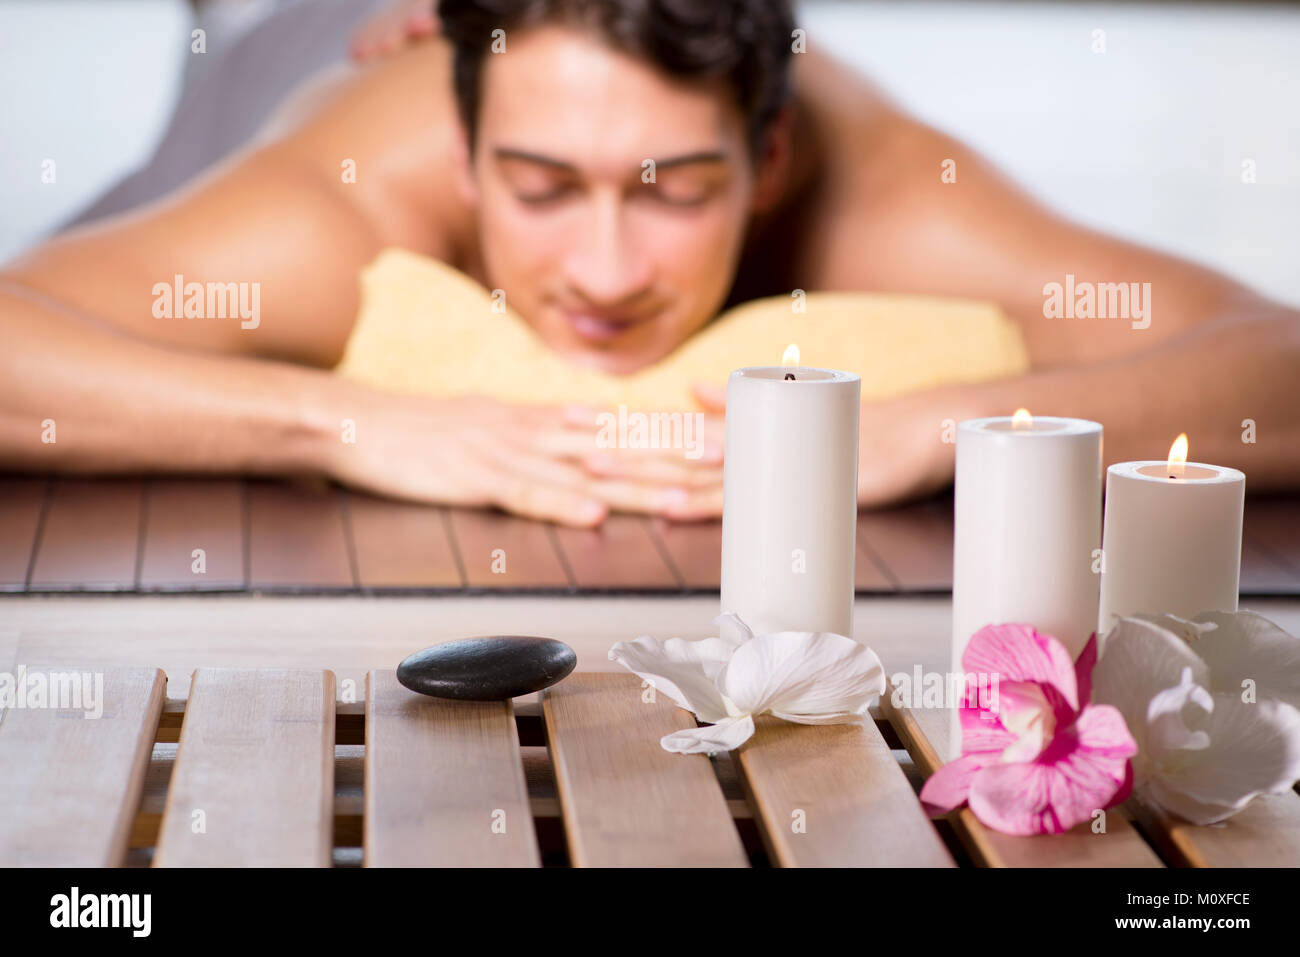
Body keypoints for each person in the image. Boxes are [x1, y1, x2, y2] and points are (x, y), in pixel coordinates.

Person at [1, 0, 1295, 527]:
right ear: (464, 154)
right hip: (288, 53)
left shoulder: (885, 189)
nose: (606, 269)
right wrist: (333, 417)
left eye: (674, 191)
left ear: (772, 157)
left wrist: (939, 427)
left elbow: (1276, 364)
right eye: (542, 187)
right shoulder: (330, 216)